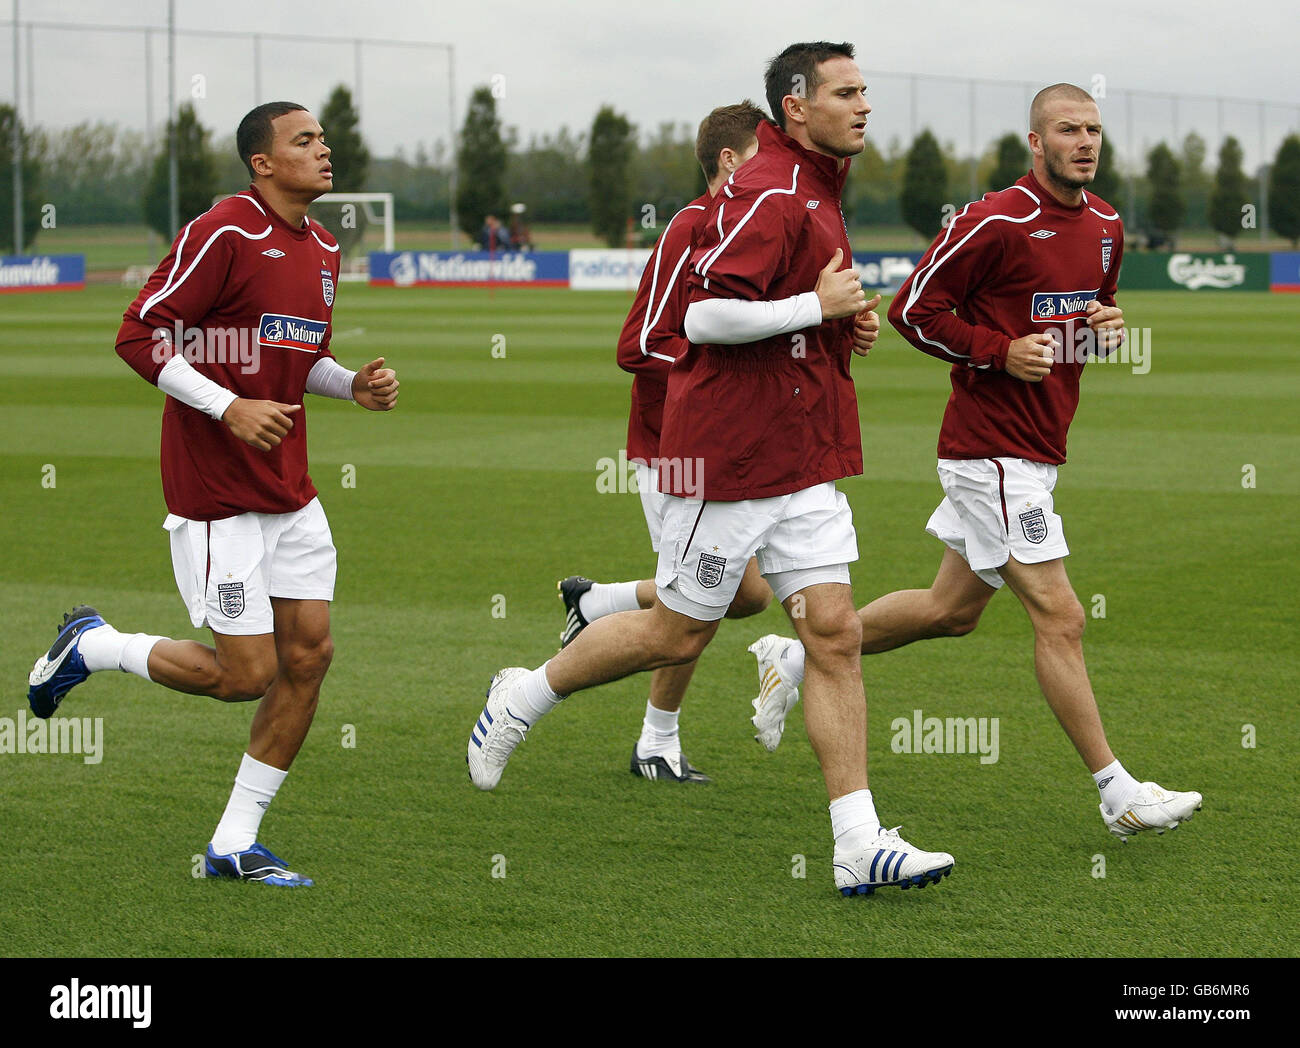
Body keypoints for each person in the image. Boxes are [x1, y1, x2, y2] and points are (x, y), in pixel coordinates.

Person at [468, 42, 955, 898]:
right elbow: (702, 315)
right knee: (680, 631)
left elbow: (784, 315)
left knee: (833, 635)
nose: (865, 104)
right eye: (847, 92)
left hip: (803, 456)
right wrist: (816, 307)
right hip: (730, 458)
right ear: (796, 106)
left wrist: (839, 328)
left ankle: (857, 841)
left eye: (865, 89)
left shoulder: (815, 189)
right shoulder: (767, 186)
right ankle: (524, 693)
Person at [745, 83, 1202, 841]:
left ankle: (791, 658)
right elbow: (912, 311)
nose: (1085, 142)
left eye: (1093, 129)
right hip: (990, 453)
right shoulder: (995, 219)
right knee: (1061, 616)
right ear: (1036, 141)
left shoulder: (1108, 225)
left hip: (1037, 447)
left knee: (949, 612)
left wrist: (1102, 332)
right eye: (1067, 129)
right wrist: (996, 351)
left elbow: (1079, 323)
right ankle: (1119, 792)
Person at [25, 101, 400, 886]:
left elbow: (303, 362)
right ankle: (95, 647)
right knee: (246, 676)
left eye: (323, 138)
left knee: (309, 656)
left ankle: (234, 842)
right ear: (262, 163)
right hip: (216, 496)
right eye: (304, 140)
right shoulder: (225, 228)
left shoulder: (326, 246)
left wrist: (351, 386)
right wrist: (226, 405)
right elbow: (139, 333)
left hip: (290, 493)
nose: (324, 150)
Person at [557, 101, 772, 785]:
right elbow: (639, 344)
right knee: (702, 609)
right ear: (731, 162)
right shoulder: (691, 226)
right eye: (770, 156)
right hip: (675, 449)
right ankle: (654, 741)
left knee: (746, 596)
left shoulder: (752, 229)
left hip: (734, 450)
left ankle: (598, 603)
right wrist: (727, 376)